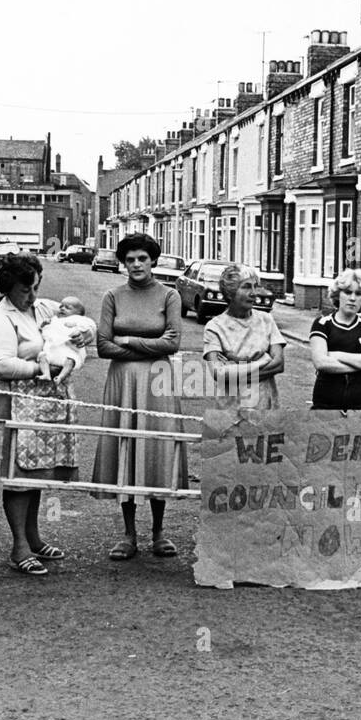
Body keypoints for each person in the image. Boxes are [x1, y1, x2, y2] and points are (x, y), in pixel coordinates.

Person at [0, 252, 90, 576]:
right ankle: (19, 547)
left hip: (46, 406)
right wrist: (37, 369)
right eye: (24, 290)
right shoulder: (1, 318)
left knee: (36, 471)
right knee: (17, 476)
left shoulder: (43, 308)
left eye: (35, 287)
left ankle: (34, 537)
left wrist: (85, 336)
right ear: (7, 289)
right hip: (14, 401)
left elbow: (77, 325)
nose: (32, 296)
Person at [92, 233, 187, 561]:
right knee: (127, 448)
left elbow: (172, 343)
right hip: (123, 382)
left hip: (158, 382)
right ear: (123, 263)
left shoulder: (169, 295)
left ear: (153, 261)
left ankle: (159, 532)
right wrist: (148, 345)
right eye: (130, 259)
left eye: (142, 259)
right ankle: (129, 534)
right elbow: (103, 345)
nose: (136, 265)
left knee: (157, 447)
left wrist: (129, 339)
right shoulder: (112, 296)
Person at [202, 264, 286, 410]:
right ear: (230, 293)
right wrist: (264, 360)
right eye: (246, 287)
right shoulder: (215, 327)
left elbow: (279, 364)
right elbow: (218, 373)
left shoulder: (266, 320)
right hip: (230, 407)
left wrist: (234, 370)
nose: (254, 293)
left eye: (255, 286)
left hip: (264, 404)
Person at [310, 268, 361, 410]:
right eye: (348, 292)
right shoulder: (323, 323)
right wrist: (360, 362)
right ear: (338, 294)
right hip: (326, 398)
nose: (353, 298)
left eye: (359, 293)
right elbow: (321, 363)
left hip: (360, 398)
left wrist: (335, 355)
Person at [38, 297, 96, 384]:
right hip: (52, 349)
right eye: (61, 306)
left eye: (67, 307)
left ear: (78, 313)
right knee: (42, 356)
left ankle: (60, 377)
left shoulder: (78, 319)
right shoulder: (55, 319)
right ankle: (46, 374)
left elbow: (89, 326)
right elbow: (45, 330)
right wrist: (44, 324)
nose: (62, 308)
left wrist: (78, 328)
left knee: (70, 360)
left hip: (68, 349)